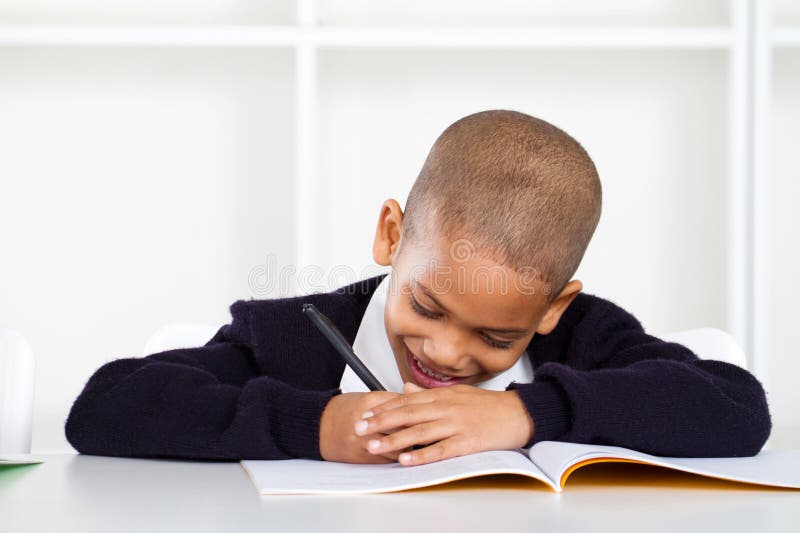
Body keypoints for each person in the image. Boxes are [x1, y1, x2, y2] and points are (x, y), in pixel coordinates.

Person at [65, 110, 772, 465]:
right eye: (428, 304)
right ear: (391, 235)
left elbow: (738, 408)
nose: (446, 350)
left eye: (498, 336)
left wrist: (526, 413)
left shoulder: (585, 335)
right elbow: (105, 406)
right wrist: (318, 425)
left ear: (553, 306)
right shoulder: (292, 335)